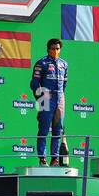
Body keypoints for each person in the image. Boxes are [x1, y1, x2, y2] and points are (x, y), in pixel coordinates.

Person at [29, 37, 68, 166]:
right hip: (46, 99)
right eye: (53, 49)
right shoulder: (42, 63)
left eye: (57, 49)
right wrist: (40, 98)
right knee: (44, 129)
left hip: (60, 98)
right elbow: (34, 83)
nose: (55, 51)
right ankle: (42, 158)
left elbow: (65, 83)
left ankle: (55, 158)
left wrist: (60, 96)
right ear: (48, 49)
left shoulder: (64, 64)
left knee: (58, 129)